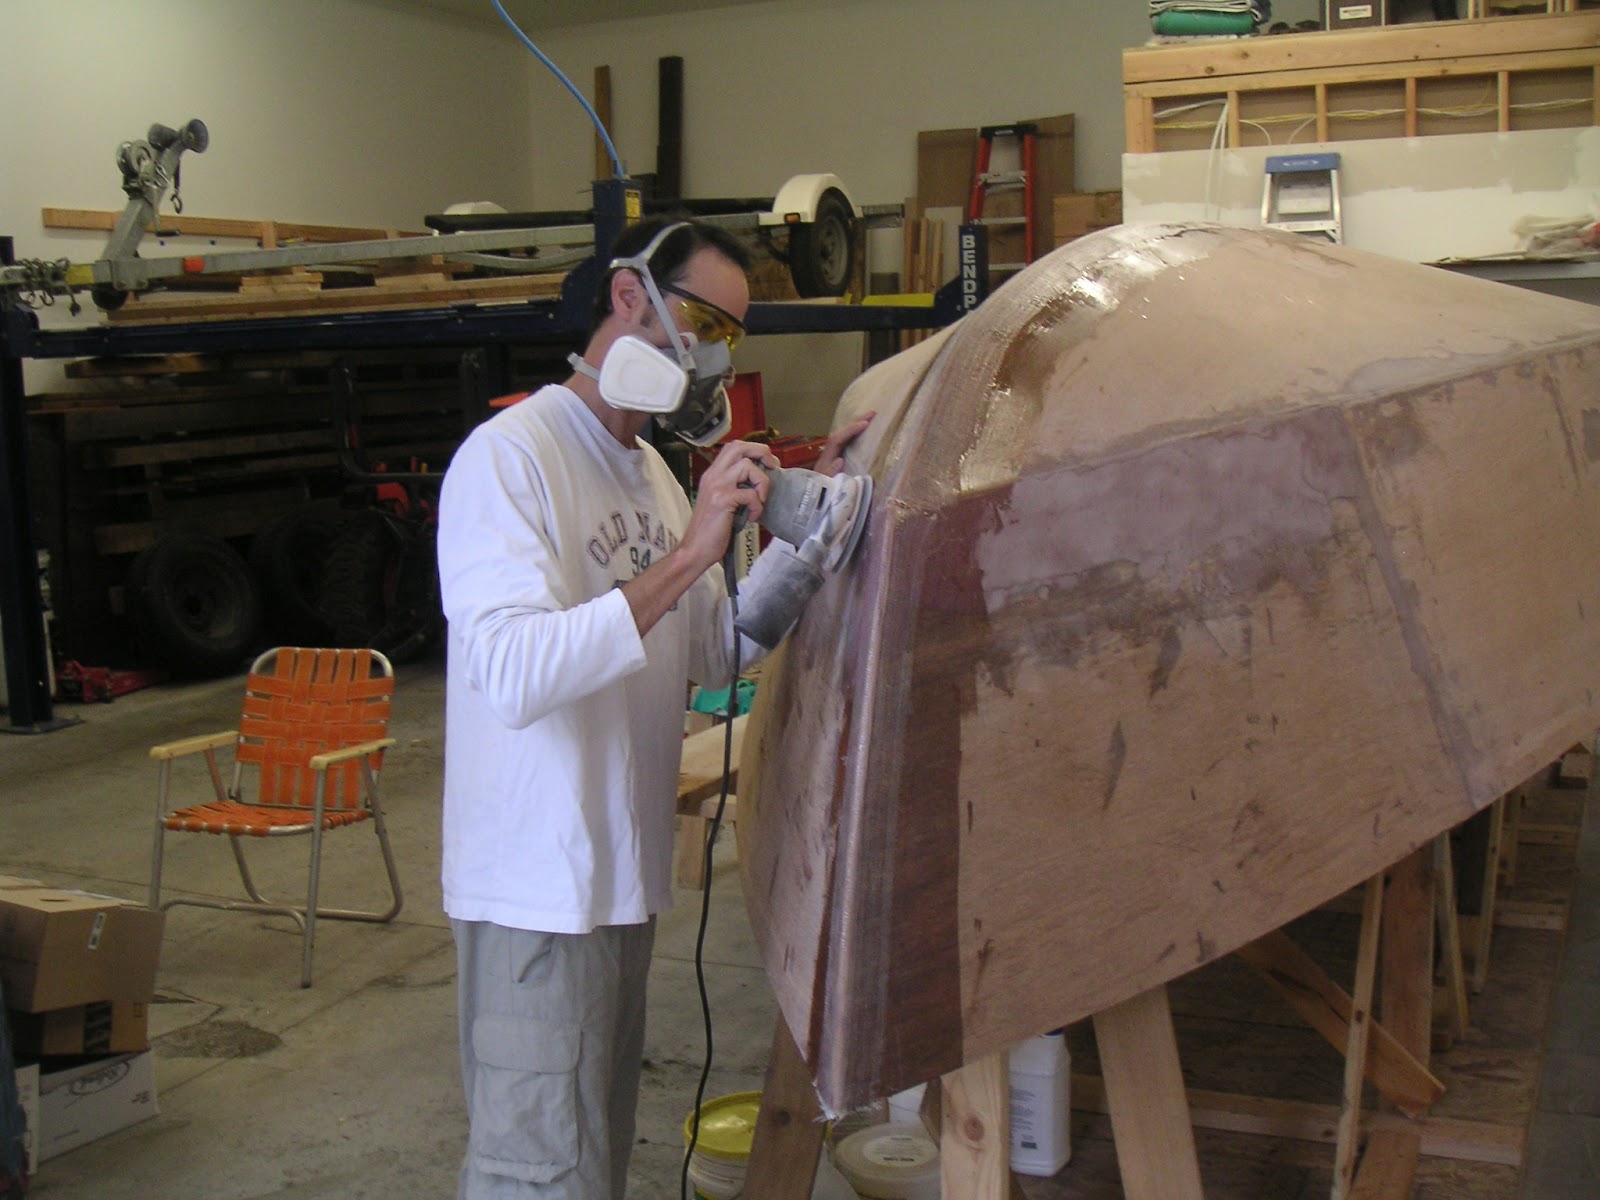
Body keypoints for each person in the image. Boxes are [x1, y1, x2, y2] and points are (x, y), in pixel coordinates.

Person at [437, 214, 871, 1200]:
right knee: (535, 1174)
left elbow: (715, 647)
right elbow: (509, 670)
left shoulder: (651, 473)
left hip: (619, 892)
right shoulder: (510, 459)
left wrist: (803, 541)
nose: (714, 356)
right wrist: (688, 556)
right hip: (537, 898)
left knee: (593, 1159)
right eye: (701, 323)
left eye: (730, 337)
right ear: (628, 300)